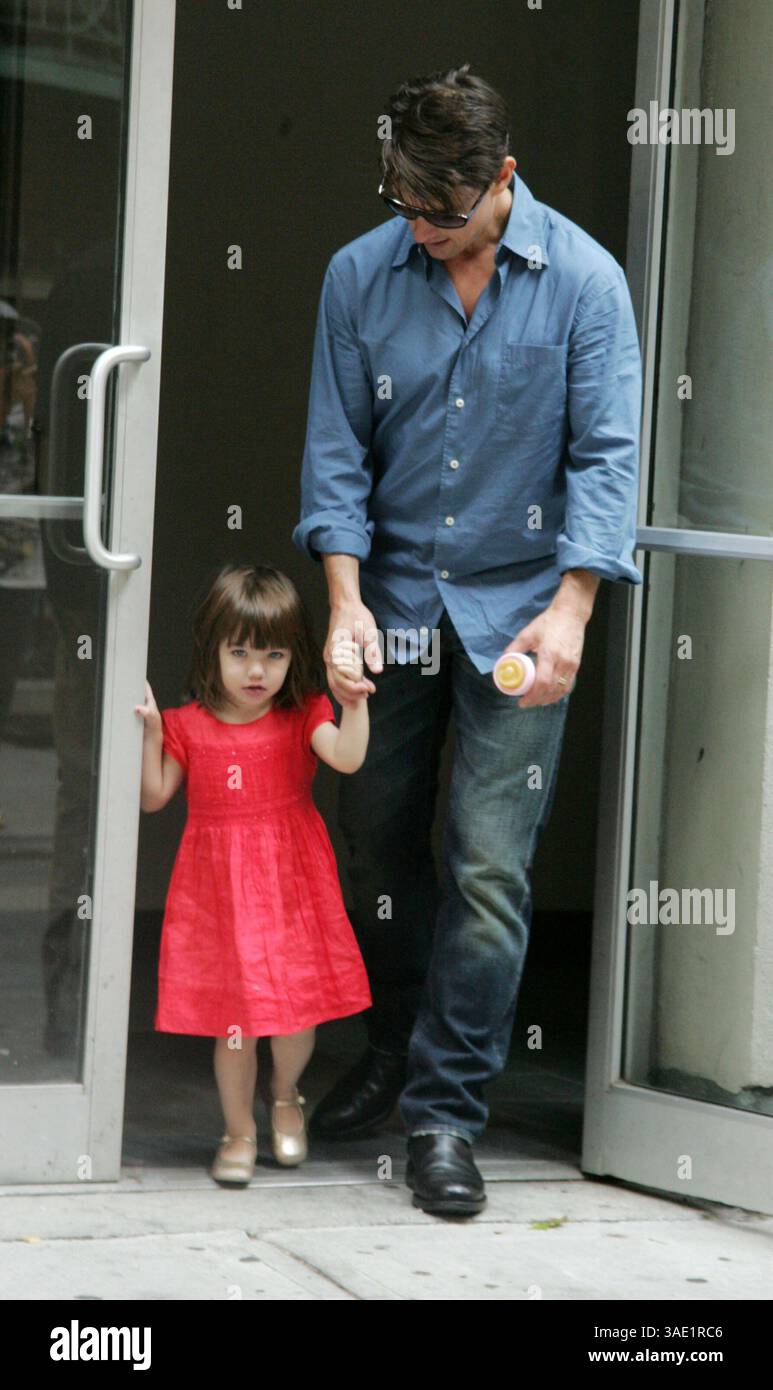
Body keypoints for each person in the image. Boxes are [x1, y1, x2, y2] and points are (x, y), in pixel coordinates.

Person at [292, 64, 643, 1217]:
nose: (422, 233)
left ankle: (445, 1112)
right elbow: (338, 453)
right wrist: (341, 600)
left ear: (501, 179)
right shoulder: (359, 273)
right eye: (405, 209)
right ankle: (388, 1045)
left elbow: (603, 456)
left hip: (520, 616)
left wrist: (575, 607)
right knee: (372, 846)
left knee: (485, 867)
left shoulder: (585, 282)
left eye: (441, 216)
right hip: (389, 607)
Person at [134, 562, 372, 1186]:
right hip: (219, 892)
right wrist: (153, 734)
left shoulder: (303, 715)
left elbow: (346, 758)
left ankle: (286, 1096)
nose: (256, 670)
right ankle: (237, 1131)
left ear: (296, 656)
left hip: (291, 878)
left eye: (272, 654)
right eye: (238, 653)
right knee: (235, 1021)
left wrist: (352, 704)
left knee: (295, 1013)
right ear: (211, 650)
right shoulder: (189, 724)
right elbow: (154, 795)